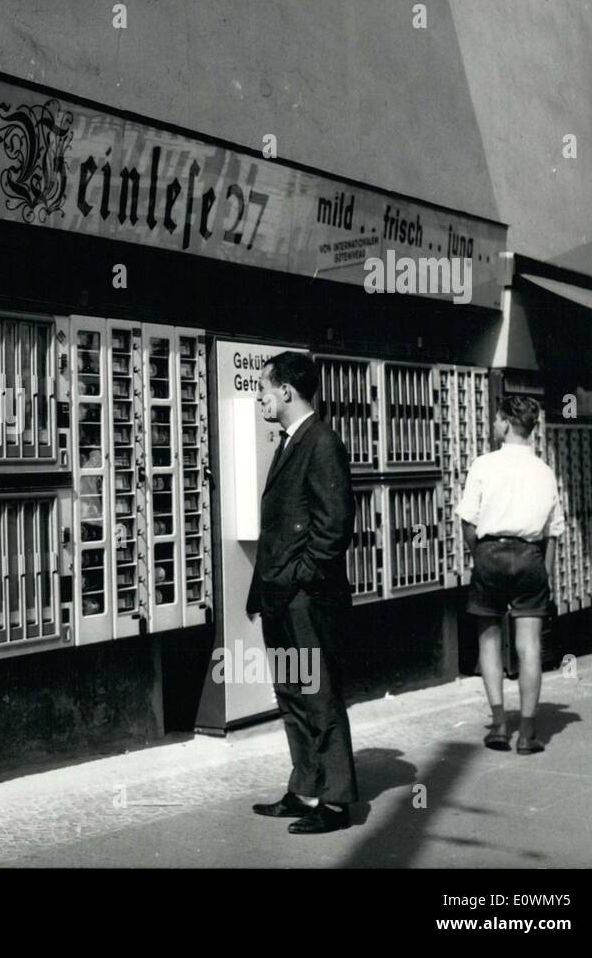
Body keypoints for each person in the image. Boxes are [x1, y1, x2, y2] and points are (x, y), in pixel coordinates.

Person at [246, 351, 359, 834]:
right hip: (280, 595)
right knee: (292, 694)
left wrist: (298, 577)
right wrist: (265, 587)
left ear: (287, 392)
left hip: (306, 598)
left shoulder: (322, 442)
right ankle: (305, 787)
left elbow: (333, 527)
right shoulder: (294, 440)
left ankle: (335, 803)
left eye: (265, 389)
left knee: (319, 694)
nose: (260, 398)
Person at [456, 395, 563, 755]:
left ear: (504, 422)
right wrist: (543, 574)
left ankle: (499, 725)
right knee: (529, 645)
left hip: (490, 554)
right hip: (531, 557)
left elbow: (468, 521)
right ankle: (528, 734)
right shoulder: (545, 471)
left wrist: (481, 556)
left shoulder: (483, 465)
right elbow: (553, 532)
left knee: (489, 640)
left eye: (495, 420)